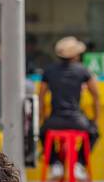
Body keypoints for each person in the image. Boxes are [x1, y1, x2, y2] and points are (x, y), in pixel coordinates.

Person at [38, 36, 100, 168]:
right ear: (76, 55)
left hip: (54, 120)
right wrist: (95, 119)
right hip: (77, 121)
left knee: (42, 132)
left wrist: (43, 118)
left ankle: (55, 164)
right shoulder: (82, 70)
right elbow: (96, 95)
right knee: (94, 132)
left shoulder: (49, 71)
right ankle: (79, 163)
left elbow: (41, 96)